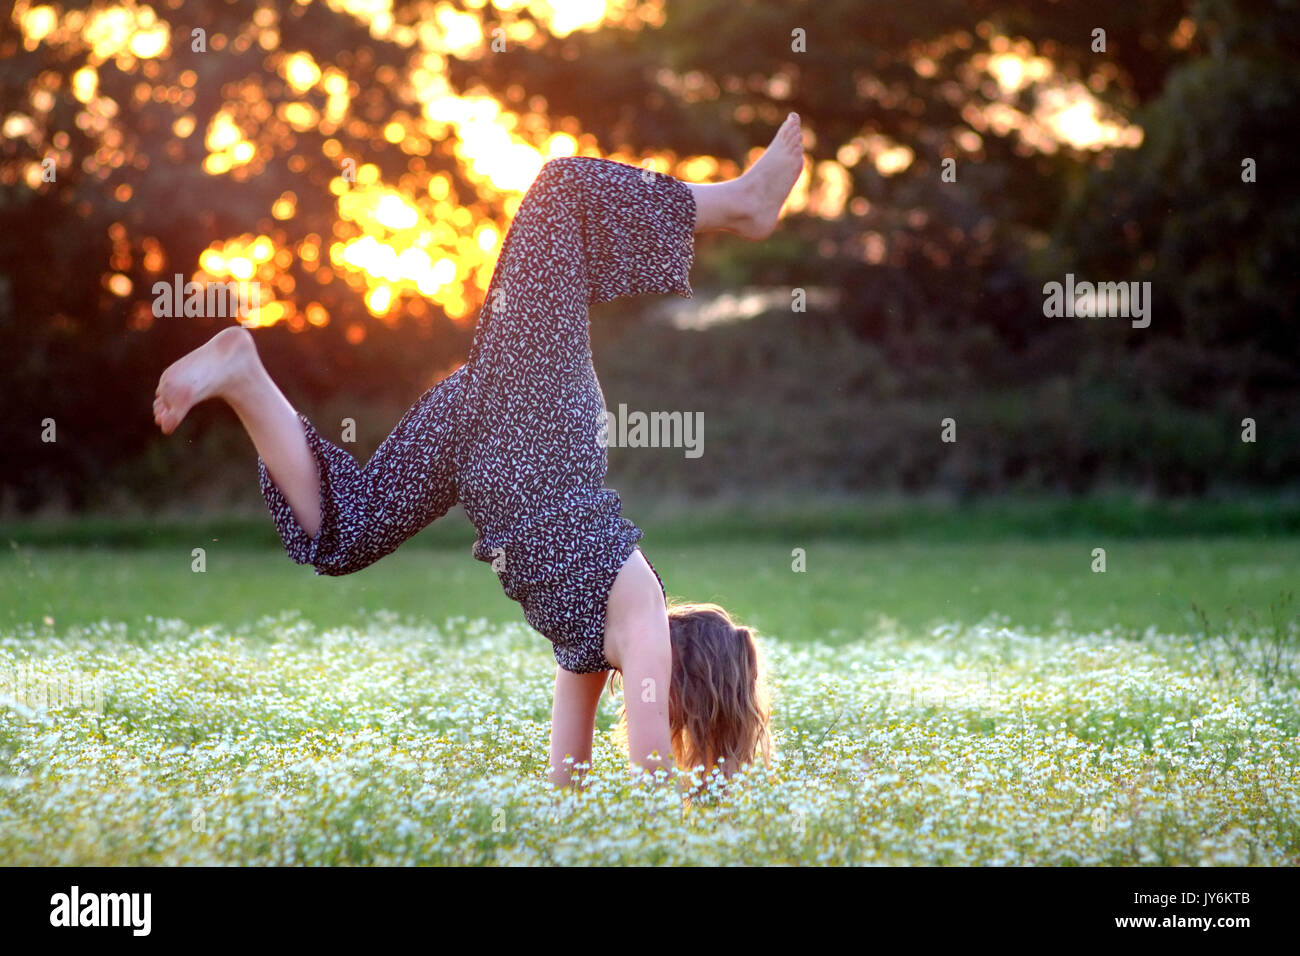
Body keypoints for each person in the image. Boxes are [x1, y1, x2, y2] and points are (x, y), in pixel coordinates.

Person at [153, 112, 805, 789]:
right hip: (541, 423)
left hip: (485, 439)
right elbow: (649, 776)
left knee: (341, 532)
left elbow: (566, 782)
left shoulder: (585, 650)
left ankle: (245, 377)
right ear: (686, 680)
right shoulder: (640, 607)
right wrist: (699, 817)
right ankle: (741, 203)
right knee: (560, 191)